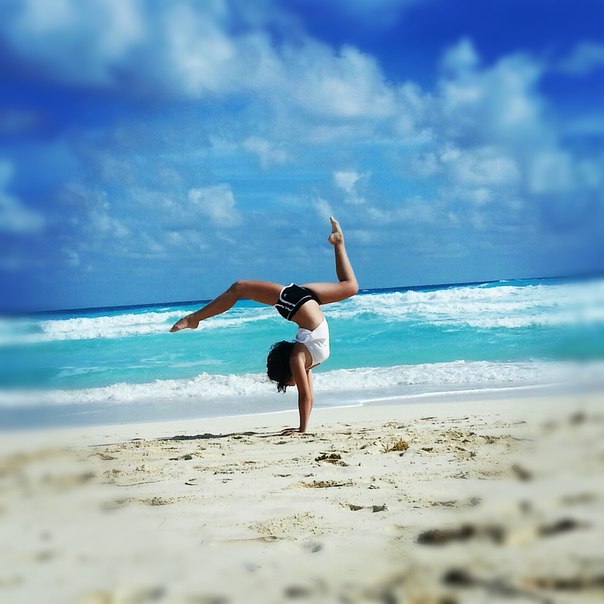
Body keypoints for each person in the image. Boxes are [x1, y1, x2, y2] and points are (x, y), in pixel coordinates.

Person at [170, 217, 358, 434]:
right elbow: (310, 395)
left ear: (287, 371)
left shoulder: (297, 358)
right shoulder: (306, 361)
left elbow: (304, 395)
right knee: (351, 286)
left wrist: (301, 429)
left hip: (298, 304)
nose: (291, 385)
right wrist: (303, 427)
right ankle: (338, 242)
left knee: (239, 287)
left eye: (285, 383)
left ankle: (194, 318)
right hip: (307, 301)